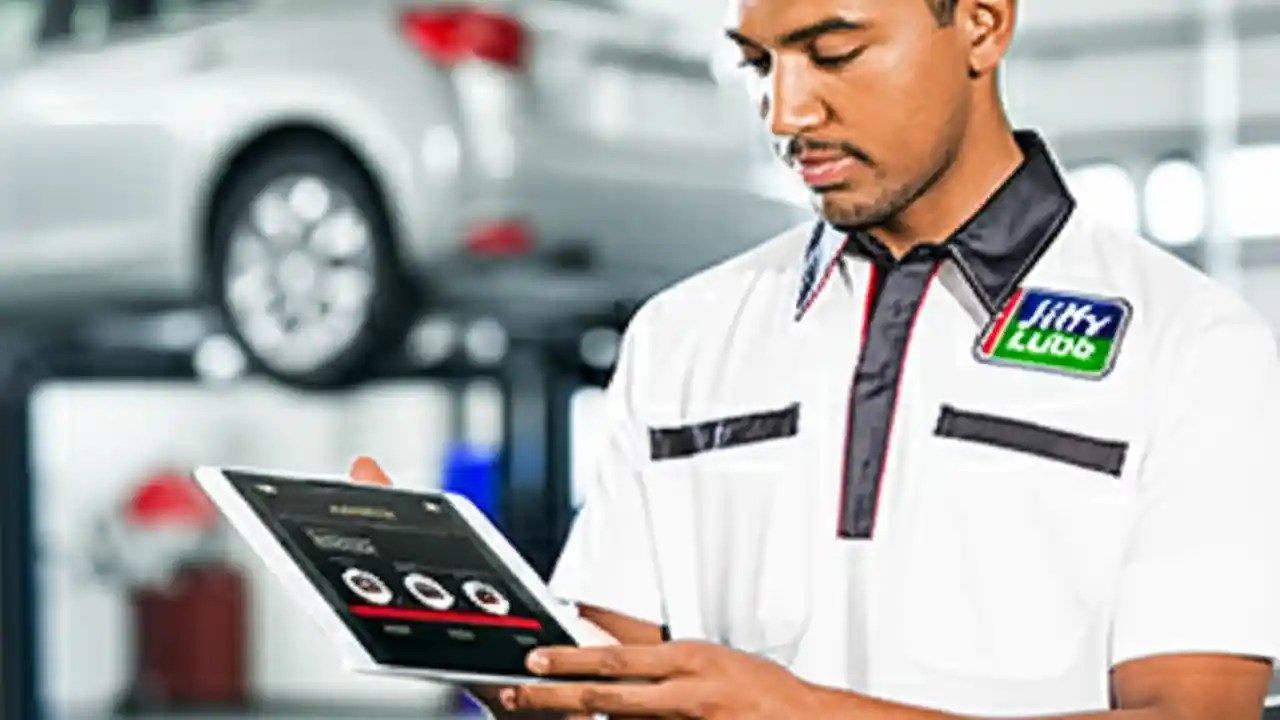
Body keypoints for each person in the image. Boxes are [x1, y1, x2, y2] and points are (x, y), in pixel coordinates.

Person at [355, 0, 1280, 716]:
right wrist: (481, 639)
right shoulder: (682, 334)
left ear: (984, 24)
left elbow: (1192, 712)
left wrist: (800, 713)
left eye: (833, 52)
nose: (786, 111)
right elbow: (615, 681)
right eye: (758, 63)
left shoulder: (1191, 345)